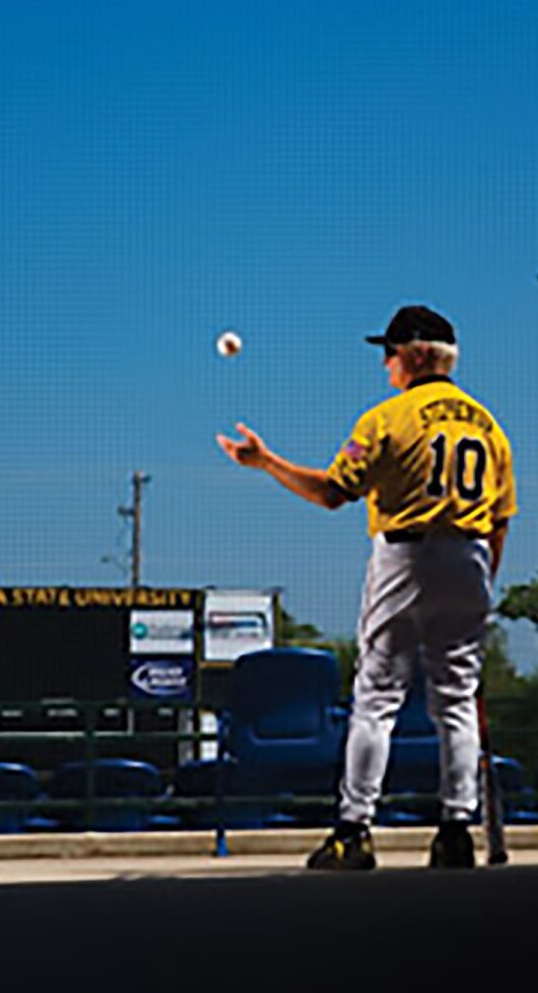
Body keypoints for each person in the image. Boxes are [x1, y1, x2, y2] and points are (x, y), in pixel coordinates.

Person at [216, 304, 517, 869]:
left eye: (391, 353)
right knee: (454, 701)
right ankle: (456, 830)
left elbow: (333, 492)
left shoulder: (387, 418)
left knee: (377, 699)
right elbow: (501, 520)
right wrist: (479, 586)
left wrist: (266, 462)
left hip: (405, 554)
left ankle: (353, 832)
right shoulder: (489, 425)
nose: (385, 364)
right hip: (472, 559)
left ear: (418, 355)